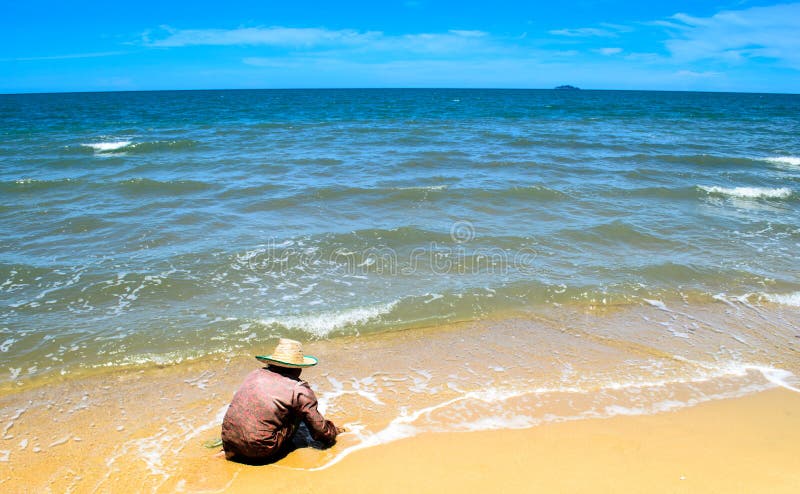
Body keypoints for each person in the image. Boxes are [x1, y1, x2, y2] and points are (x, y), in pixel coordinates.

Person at [221, 338, 344, 463]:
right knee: (298, 411)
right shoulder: (298, 389)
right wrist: (332, 431)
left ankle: (232, 450)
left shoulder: (255, 374)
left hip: (229, 442)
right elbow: (320, 431)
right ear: (298, 368)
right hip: (260, 450)